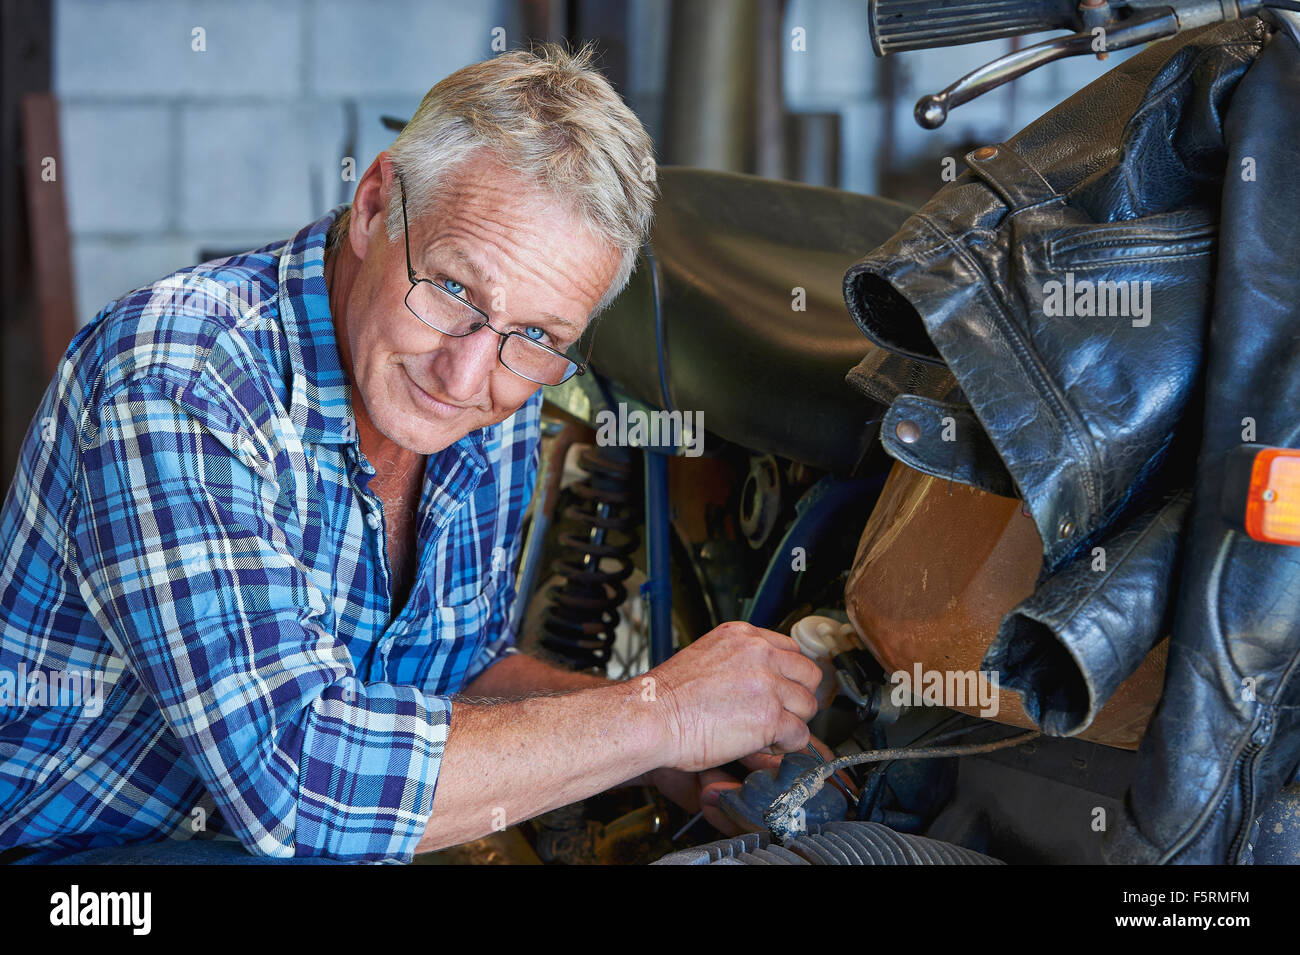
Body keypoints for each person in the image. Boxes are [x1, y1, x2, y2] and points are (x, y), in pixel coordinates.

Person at [0, 44, 821, 864]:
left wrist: (663, 750)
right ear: (372, 206)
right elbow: (297, 785)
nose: (464, 374)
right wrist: (659, 712)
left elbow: (447, 675)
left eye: (537, 334)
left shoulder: (495, 398)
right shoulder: (182, 379)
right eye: (454, 290)